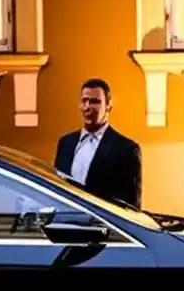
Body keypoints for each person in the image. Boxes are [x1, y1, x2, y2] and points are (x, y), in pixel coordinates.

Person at [53, 77, 142, 208]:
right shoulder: (66, 143)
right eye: (84, 101)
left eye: (94, 102)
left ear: (108, 106)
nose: (87, 107)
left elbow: (131, 206)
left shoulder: (126, 149)